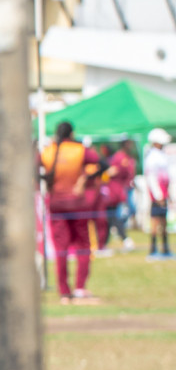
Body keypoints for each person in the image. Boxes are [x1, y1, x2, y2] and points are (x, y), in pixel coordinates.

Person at [40, 121, 101, 302]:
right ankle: (80, 288)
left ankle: (64, 291)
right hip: (77, 204)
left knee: (61, 249)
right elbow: (103, 164)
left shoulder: (48, 152)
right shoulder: (79, 150)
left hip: (56, 204)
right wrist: (85, 179)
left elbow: (31, 168)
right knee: (83, 246)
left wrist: (47, 180)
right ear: (72, 134)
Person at [102, 139, 136, 252]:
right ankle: (123, 238)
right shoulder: (119, 157)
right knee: (112, 217)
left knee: (112, 217)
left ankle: (107, 242)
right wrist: (102, 181)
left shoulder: (127, 157)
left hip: (119, 190)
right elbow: (110, 172)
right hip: (113, 191)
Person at [143, 128, 172, 260]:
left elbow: (168, 176)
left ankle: (165, 248)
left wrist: (169, 193)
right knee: (155, 221)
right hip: (158, 195)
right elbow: (151, 177)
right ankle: (153, 249)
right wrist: (158, 195)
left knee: (164, 222)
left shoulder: (162, 155)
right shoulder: (152, 157)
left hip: (164, 193)